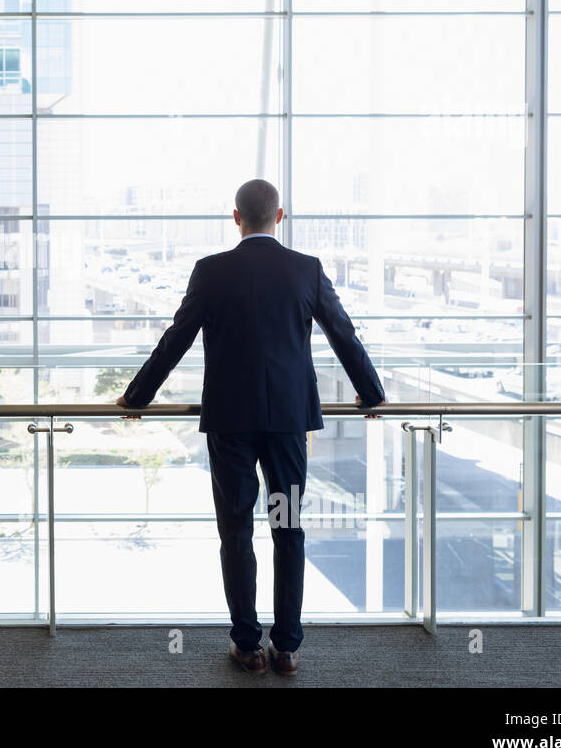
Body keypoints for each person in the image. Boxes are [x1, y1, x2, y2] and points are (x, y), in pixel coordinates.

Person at [115, 179, 386, 676]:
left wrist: (137, 398)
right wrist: (372, 394)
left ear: (235, 217)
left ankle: (247, 646)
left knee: (237, 531)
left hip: (232, 428)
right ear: (278, 217)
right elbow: (343, 332)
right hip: (285, 429)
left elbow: (175, 340)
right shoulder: (306, 270)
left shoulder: (212, 272)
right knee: (286, 528)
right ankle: (287, 648)